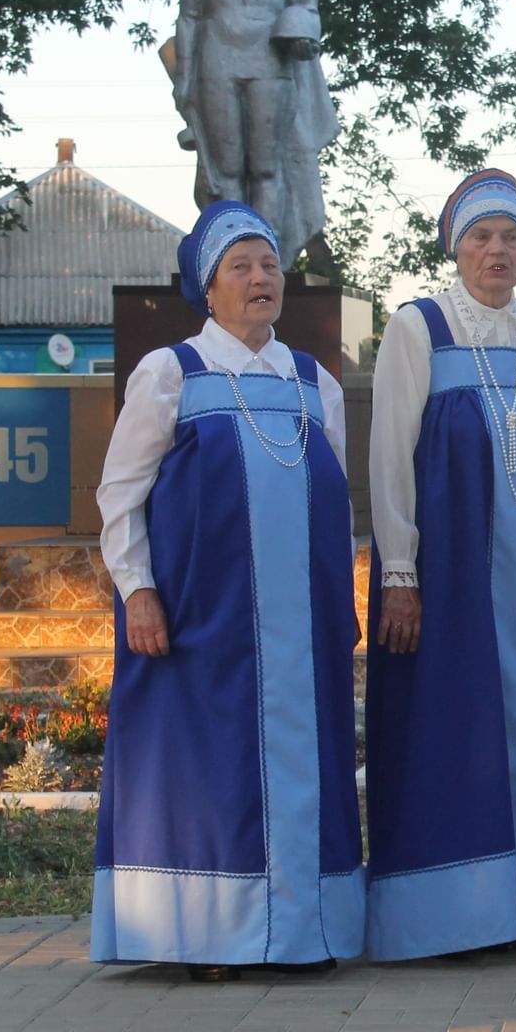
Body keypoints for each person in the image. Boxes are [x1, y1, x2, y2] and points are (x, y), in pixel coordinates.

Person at [92, 200, 363, 981]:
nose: (260, 279)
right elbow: (120, 492)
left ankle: (303, 928)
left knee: (305, 766)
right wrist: (138, 589)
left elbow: (335, 497)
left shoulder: (313, 381)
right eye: (240, 266)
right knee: (210, 771)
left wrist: (339, 596)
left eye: (270, 265)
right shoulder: (171, 372)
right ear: (206, 288)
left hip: (300, 621)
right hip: (203, 617)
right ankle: (213, 936)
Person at [363, 170, 516, 961]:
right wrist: (399, 571)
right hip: (449, 576)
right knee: (453, 731)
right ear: (455, 249)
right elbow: (389, 455)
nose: (497, 251)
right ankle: (449, 917)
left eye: (511, 237)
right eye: (481, 237)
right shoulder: (419, 328)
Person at [170, 0, 337, 266]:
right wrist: (184, 78)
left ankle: (268, 258)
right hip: (216, 55)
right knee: (224, 169)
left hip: (268, 57)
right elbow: (189, 13)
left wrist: (302, 37)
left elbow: (303, 2)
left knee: (266, 165)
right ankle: (229, 257)